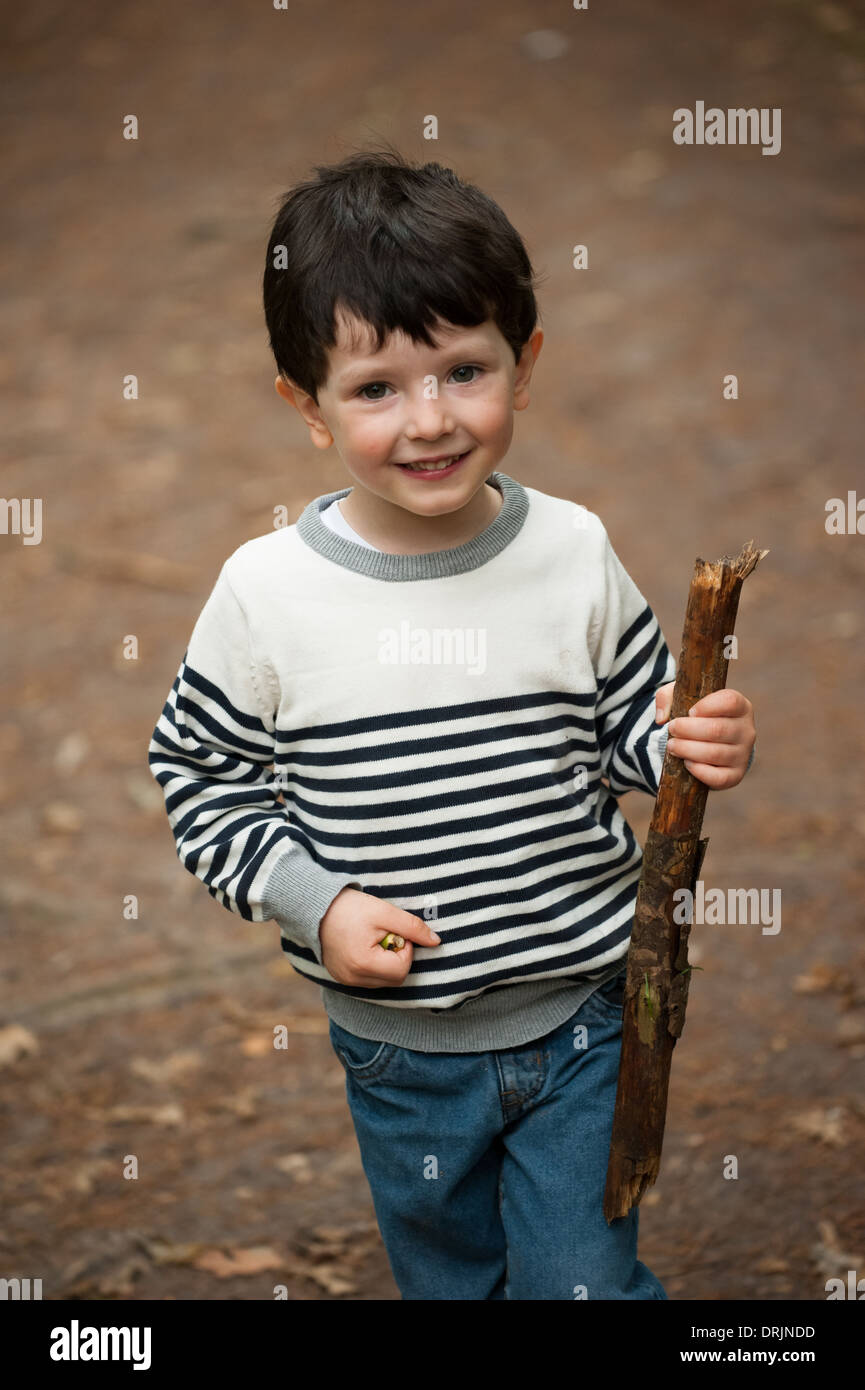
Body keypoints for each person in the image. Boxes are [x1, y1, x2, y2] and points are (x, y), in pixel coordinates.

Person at [147, 146, 756, 1300]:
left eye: (463, 370)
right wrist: (311, 902)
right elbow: (197, 772)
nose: (428, 420)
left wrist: (683, 736)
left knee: (581, 1283)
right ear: (307, 407)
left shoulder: (569, 549)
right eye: (376, 388)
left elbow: (630, 719)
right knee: (451, 1285)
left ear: (523, 365)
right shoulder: (266, 593)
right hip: (399, 1049)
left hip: (584, 1012)